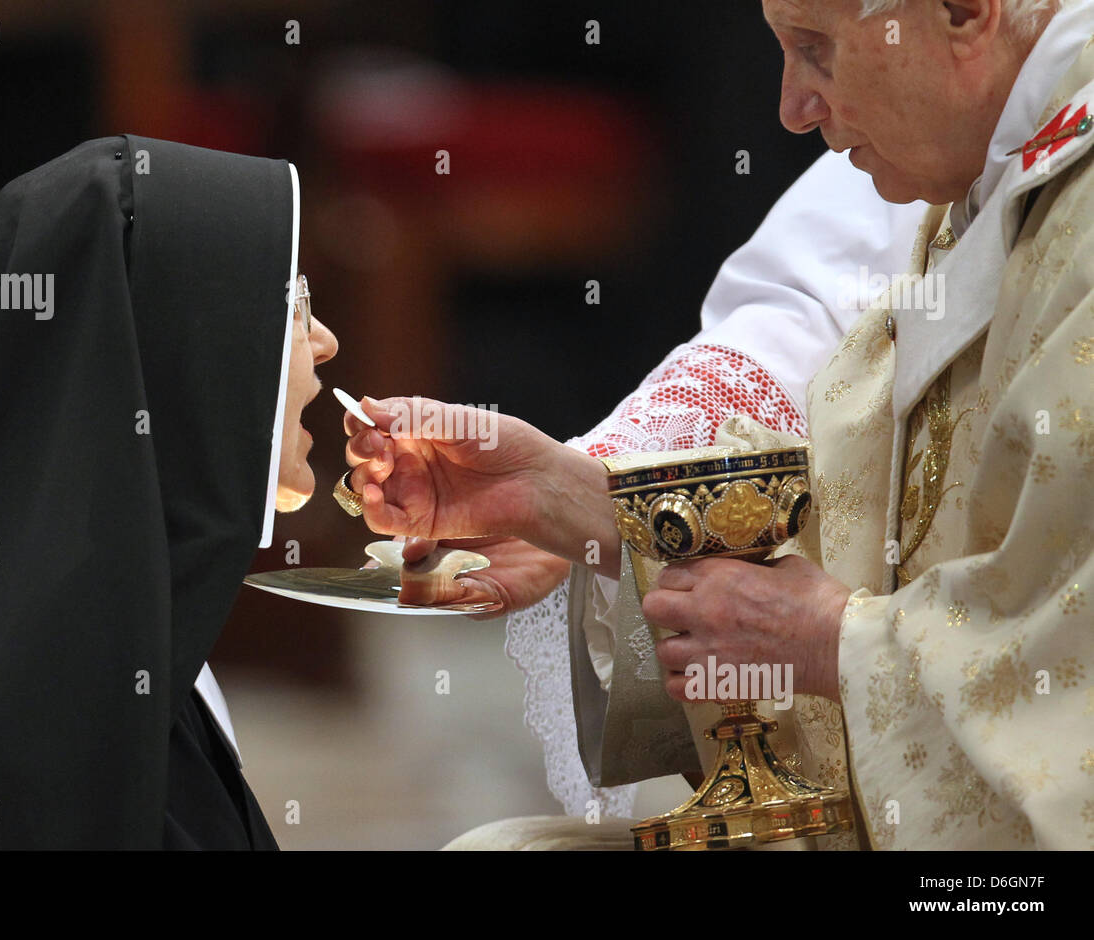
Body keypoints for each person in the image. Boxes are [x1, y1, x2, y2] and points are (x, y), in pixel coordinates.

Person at [343, 0, 1094, 849]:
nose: (792, 109)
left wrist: (830, 641)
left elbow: (1064, 685)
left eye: (815, 52)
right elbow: (866, 453)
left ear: (963, 13)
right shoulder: (987, 158)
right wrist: (578, 497)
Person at [0, 135, 339, 849]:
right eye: (294, 301)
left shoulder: (117, 637)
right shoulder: (41, 732)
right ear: (175, 353)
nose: (323, 339)